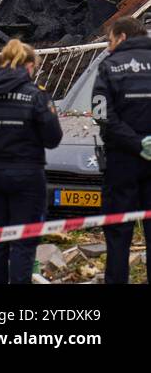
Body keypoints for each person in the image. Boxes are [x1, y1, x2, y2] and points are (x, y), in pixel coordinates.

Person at [0, 39, 62, 285]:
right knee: (23, 242)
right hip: (26, 175)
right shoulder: (35, 96)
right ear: (28, 66)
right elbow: (53, 138)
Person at [93, 17, 151, 284]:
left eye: (110, 40)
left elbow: (102, 115)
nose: (109, 46)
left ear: (123, 37)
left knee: (117, 232)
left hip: (121, 161)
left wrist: (135, 143)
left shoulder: (109, 66)